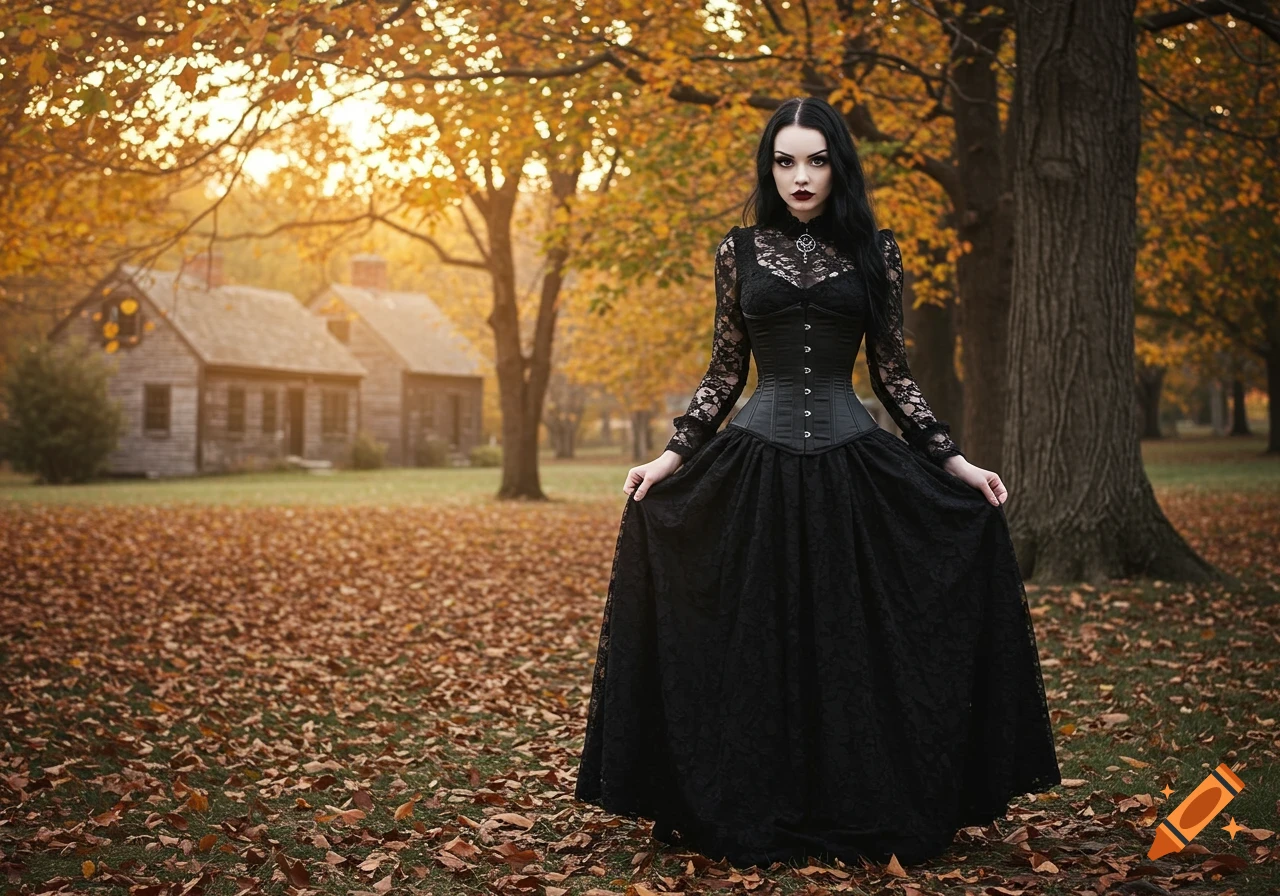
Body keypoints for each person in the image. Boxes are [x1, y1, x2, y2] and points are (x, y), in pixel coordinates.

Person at [574, 96, 1060, 869]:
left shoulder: (876, 252)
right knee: (757, 643)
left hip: (851, 469)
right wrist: (669, 459)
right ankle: (754, 799)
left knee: (851, 645)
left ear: (840, 165)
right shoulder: (739, 251)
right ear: (770, 169)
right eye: (785, 160)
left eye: (817, 159)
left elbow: (893, 373)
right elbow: (726, 370)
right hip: (757, 471)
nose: (801, 176)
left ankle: (858, 802)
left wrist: (954, 461)